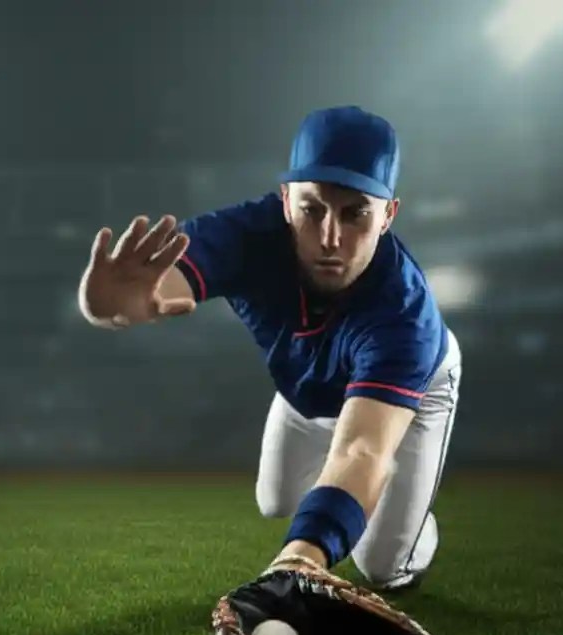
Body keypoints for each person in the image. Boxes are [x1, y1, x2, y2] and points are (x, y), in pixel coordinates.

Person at [77, 106, 462, 590]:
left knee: (382, 566)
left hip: (412, 394)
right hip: (309, 388)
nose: (329, 238)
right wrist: (107, 306)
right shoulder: (248, 236)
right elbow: (154, 287)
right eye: (312, 208)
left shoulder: (405, 314)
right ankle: (353, 495)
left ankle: (414, 528)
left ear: (388, 215)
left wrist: (301, 557)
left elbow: (363, 448)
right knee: (275, 501)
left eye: (355, 213)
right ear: (285, 201)